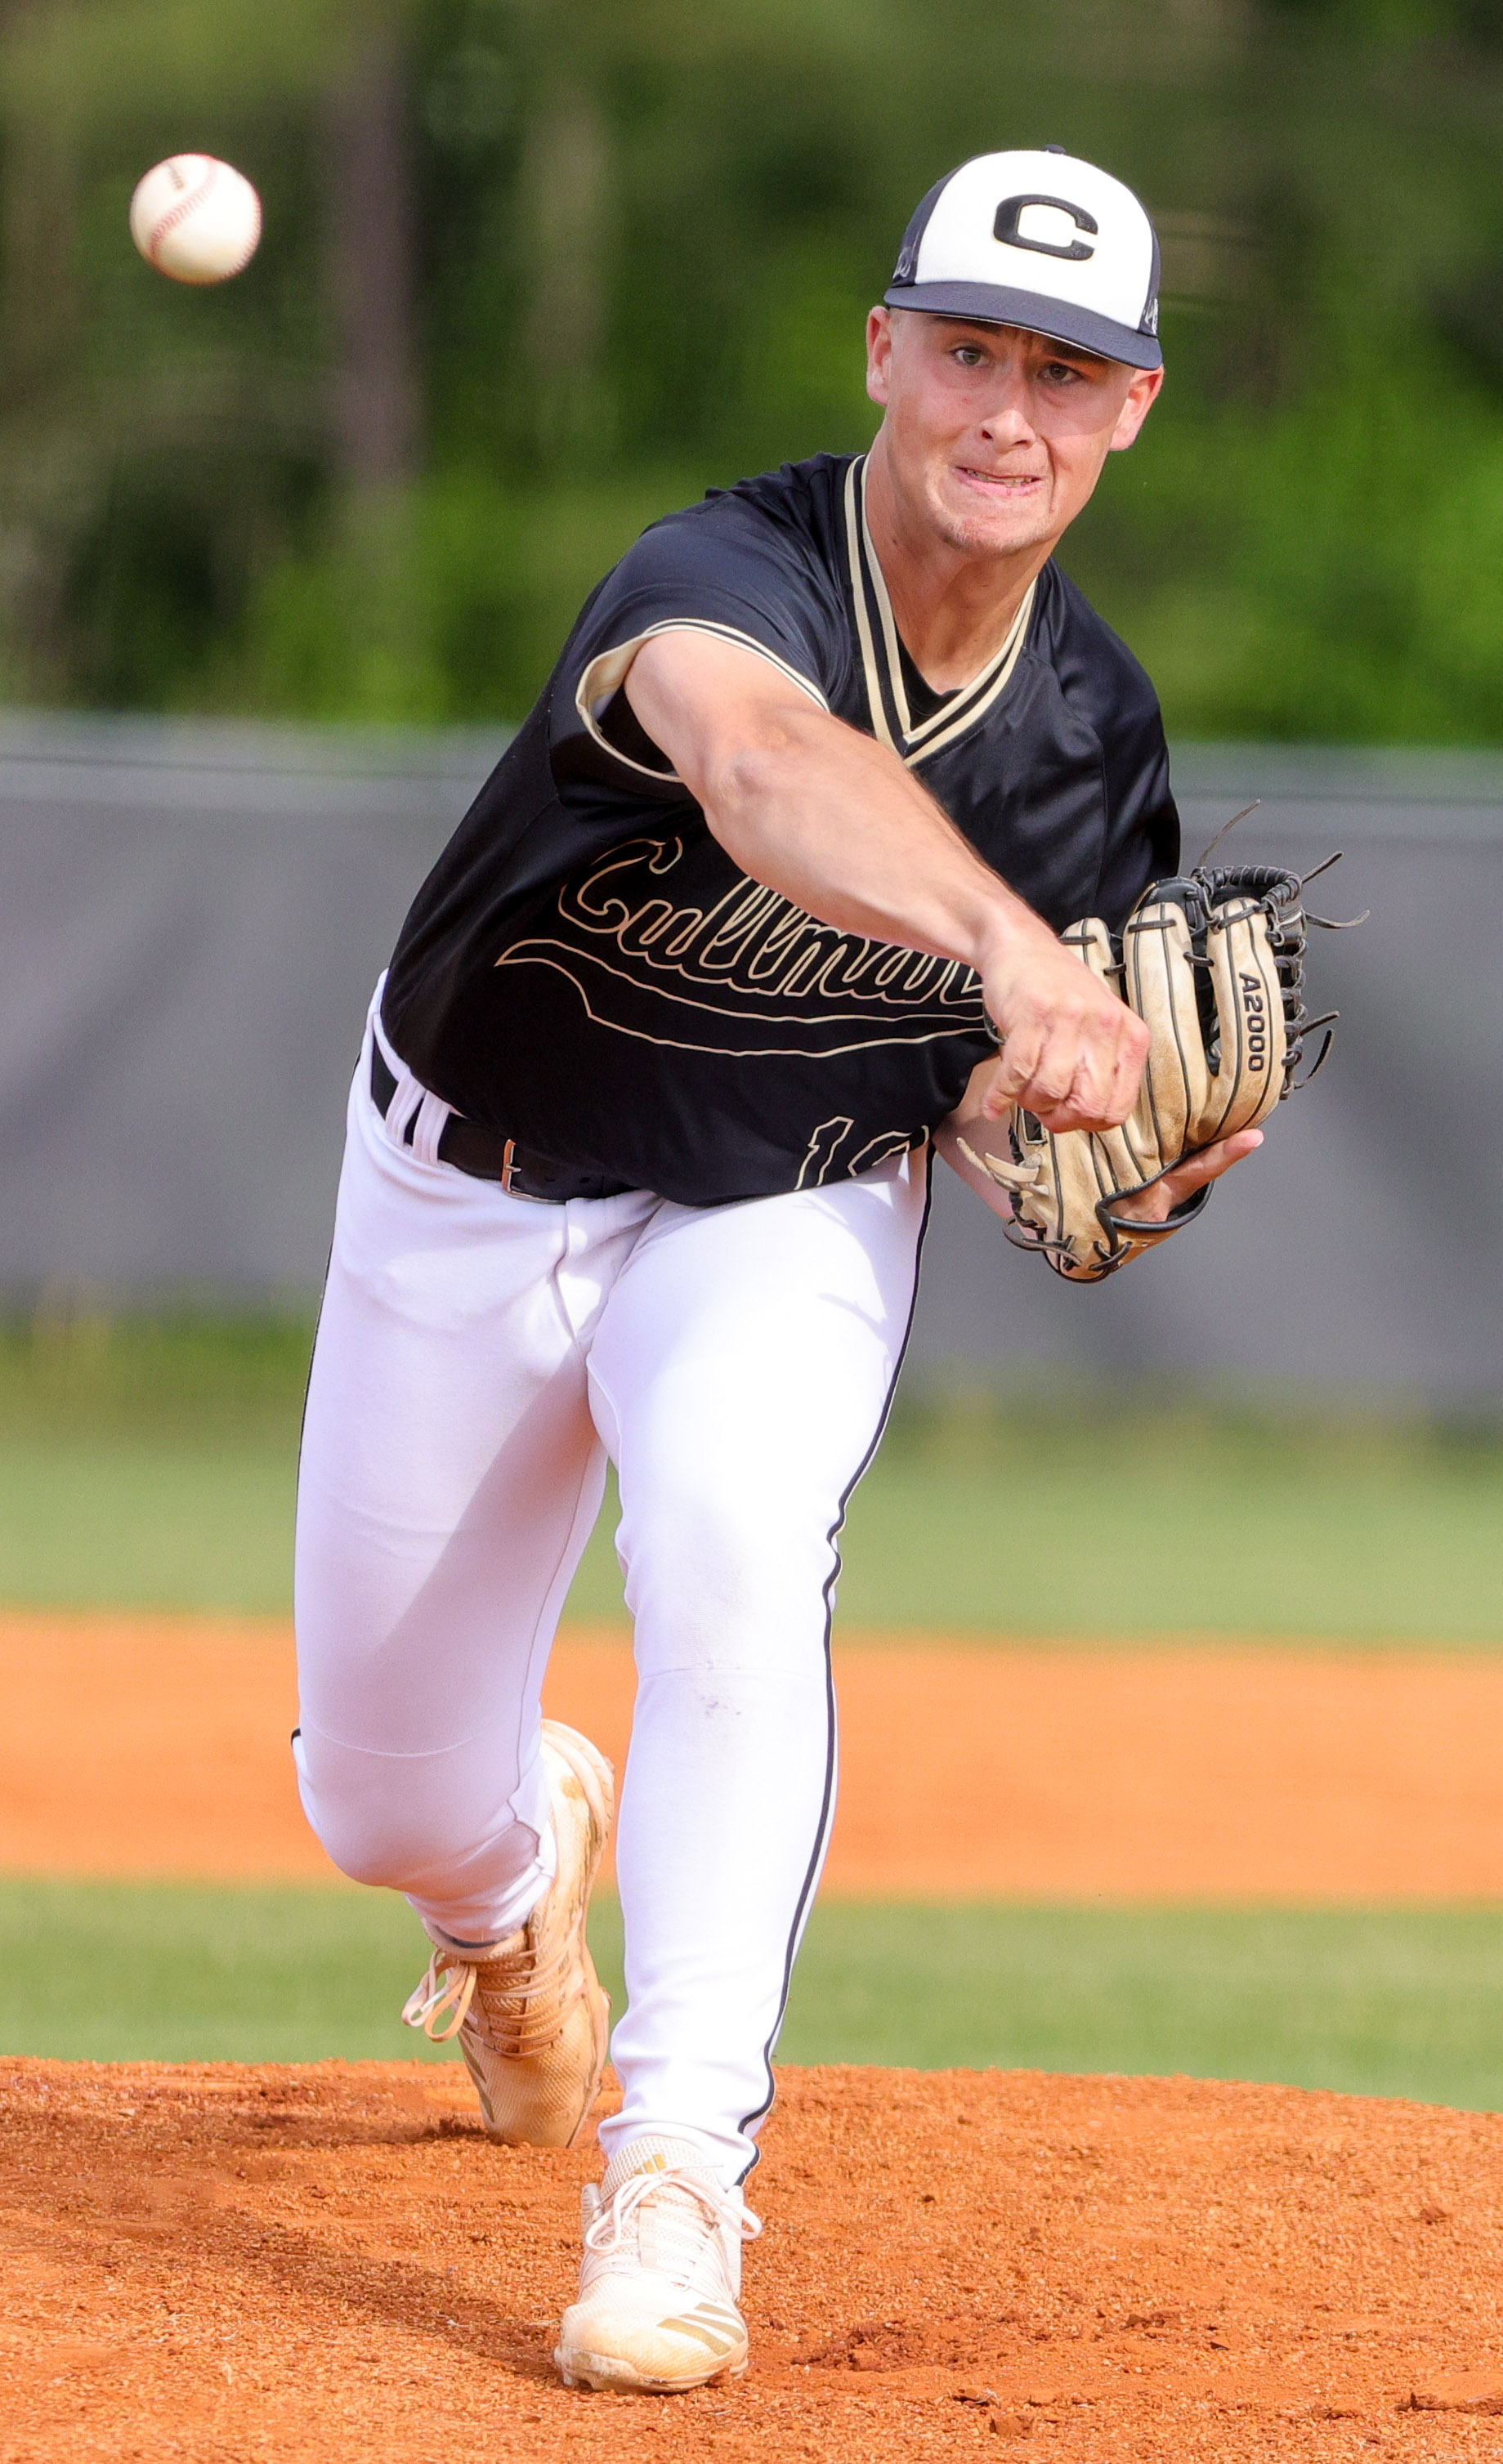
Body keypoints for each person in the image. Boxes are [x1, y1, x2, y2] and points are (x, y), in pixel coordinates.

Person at [292, 145, 1260, 2397]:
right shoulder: (716, 574)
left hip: (779, 1202)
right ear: (885, 356)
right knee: (379, 1799)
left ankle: (680, 2178)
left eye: (1068, 371)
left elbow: (1016, 1108)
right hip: (478, 1183)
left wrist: (1104, 1150)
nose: (1009, 408)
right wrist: (1016, 954)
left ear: (1132, 411)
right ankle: (512, 1883)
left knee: (735, 1535)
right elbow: (762, 766)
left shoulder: (1099, 735)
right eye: (972, 351)